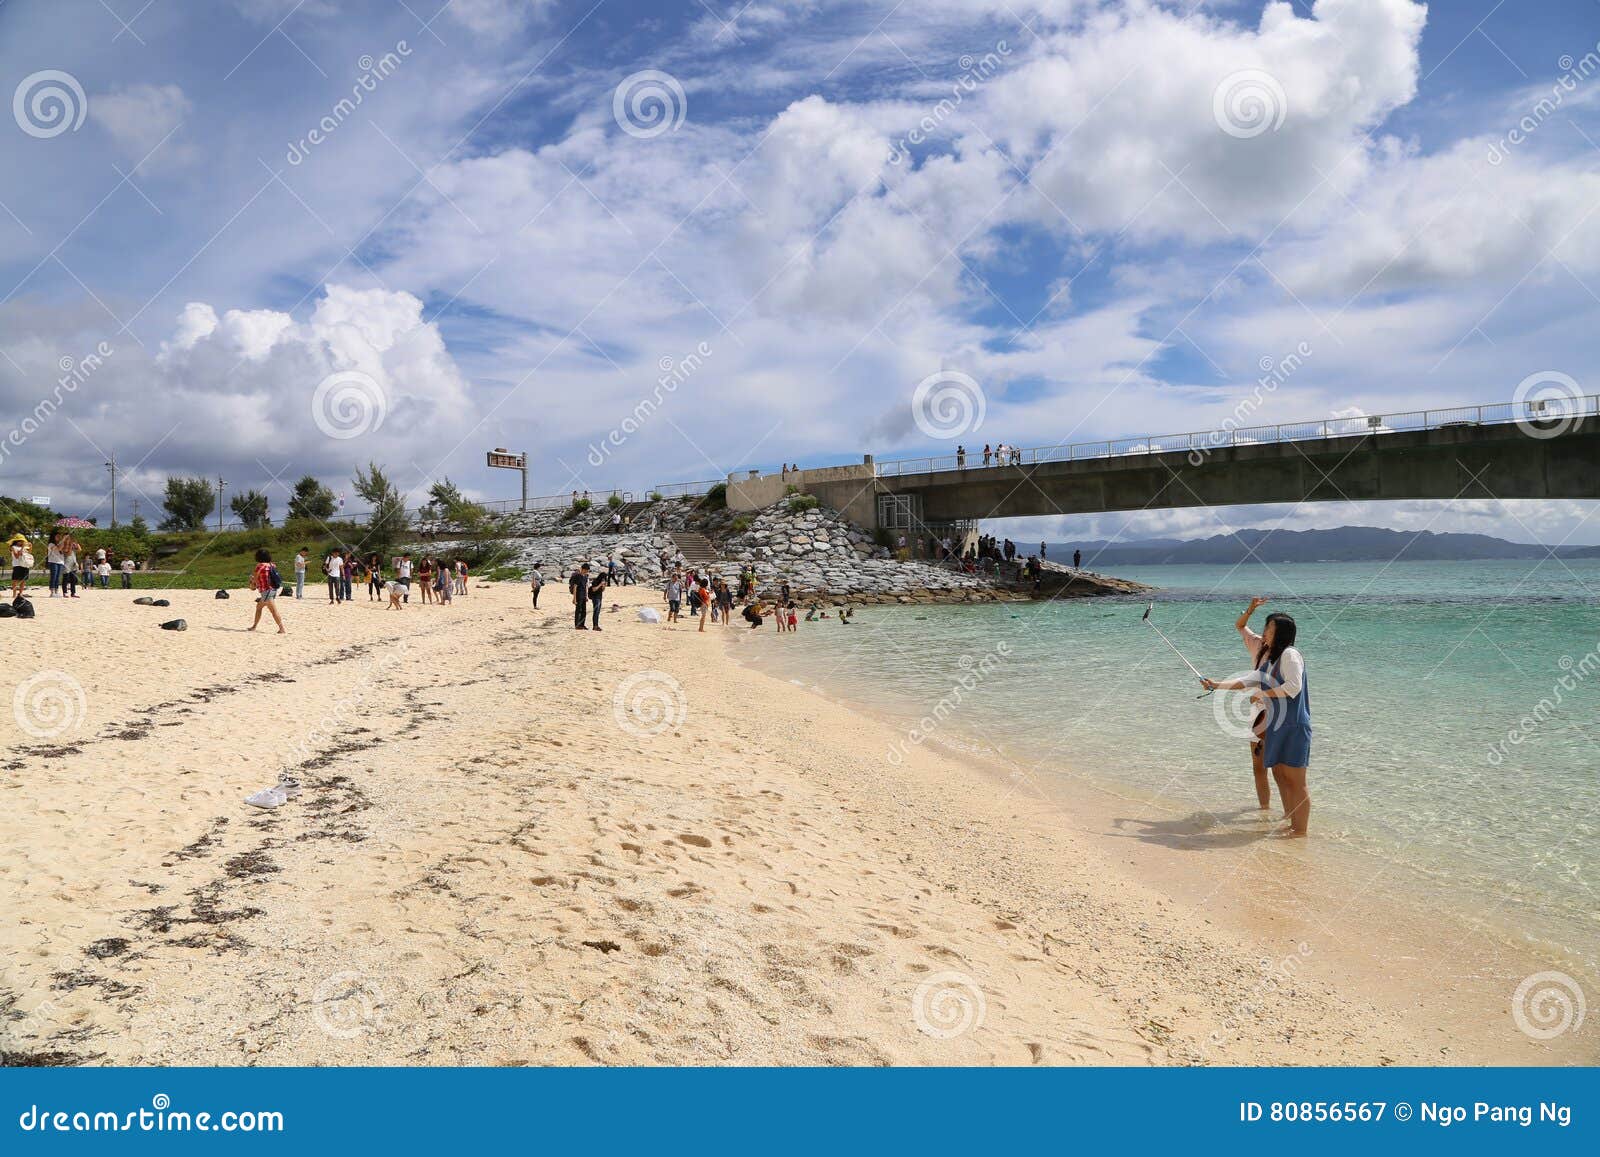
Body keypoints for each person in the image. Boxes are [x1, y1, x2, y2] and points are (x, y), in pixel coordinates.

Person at [1203, 610, 1312, 837]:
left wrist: (1265, 695)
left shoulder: (1290, 655)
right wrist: (1216, 684)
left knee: (1296, 780)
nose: (1264, 633)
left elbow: (1294, 686)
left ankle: (1300, 832)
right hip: (1275, 725)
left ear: (1280, 632)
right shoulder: (1271, 660)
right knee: (1281, 775)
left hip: (1293, 725)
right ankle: (1291, 824)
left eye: (1268, 628)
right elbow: (1247, 681)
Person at [247, 549, 286, 634]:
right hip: (273, 590)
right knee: (259, 607)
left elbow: (255, 578)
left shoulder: (260, 565)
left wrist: (252, 584)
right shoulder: (272, 565)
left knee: (273, 611)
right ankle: (254, 626)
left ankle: (282, 628)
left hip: (266, 591)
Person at [9, 534, 32, 600]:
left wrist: (30, 547)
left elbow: (29, 554)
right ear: (16, 541)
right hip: (17, 565)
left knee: (23, 580)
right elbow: (17, 556)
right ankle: (14, 593)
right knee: (15, 580)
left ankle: (21, 593)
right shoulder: (13, 547)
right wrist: (22, 548)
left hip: (25, 564)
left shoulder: (25, 547)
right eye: (20, 541)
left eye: (22, 541)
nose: (22, 542)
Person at [569, 562, 591, 629]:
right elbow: (575, 587)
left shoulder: (585, 576)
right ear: (582, 569)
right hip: (578, 595)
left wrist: (587, 596)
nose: (587, 571)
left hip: (584, 595)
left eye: (587, 570)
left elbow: (586, 586)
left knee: (584, 611)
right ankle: (577, 625)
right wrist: (574, 598)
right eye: (586, 570)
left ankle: (582, 624)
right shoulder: (577, 576)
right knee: (578, 610)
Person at [45, 532, 63, 596]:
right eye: (57, 536)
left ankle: (56, 591)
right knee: (53, 576)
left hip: (60, 562)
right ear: (54, 537)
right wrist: (62, 541)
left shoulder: (60, 543)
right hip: (53, 561)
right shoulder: (51, 544)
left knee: (58, 577)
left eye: (59, 536)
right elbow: (58, 548)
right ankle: (52, 592)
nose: (59, 537)